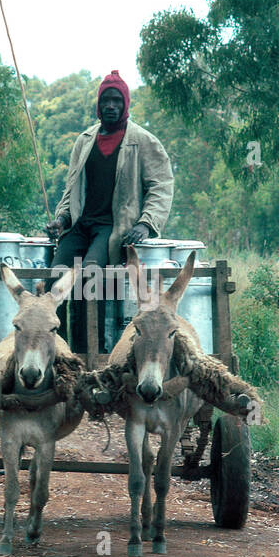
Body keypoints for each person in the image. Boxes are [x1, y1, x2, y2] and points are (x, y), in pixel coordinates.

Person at [46, 70, 174, 351]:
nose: (111, 106)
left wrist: (146, 223)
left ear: (126, 104)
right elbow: (72, 189)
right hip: (81, 225)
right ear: (98, 105)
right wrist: (61, 218)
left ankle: (92, 352)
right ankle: (58, 349)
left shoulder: (143, 141)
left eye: (117, 100)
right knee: (56, 275)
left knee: (90, 275)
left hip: (112, 228)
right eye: (106, 101)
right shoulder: (84, 140)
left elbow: (161, 186)